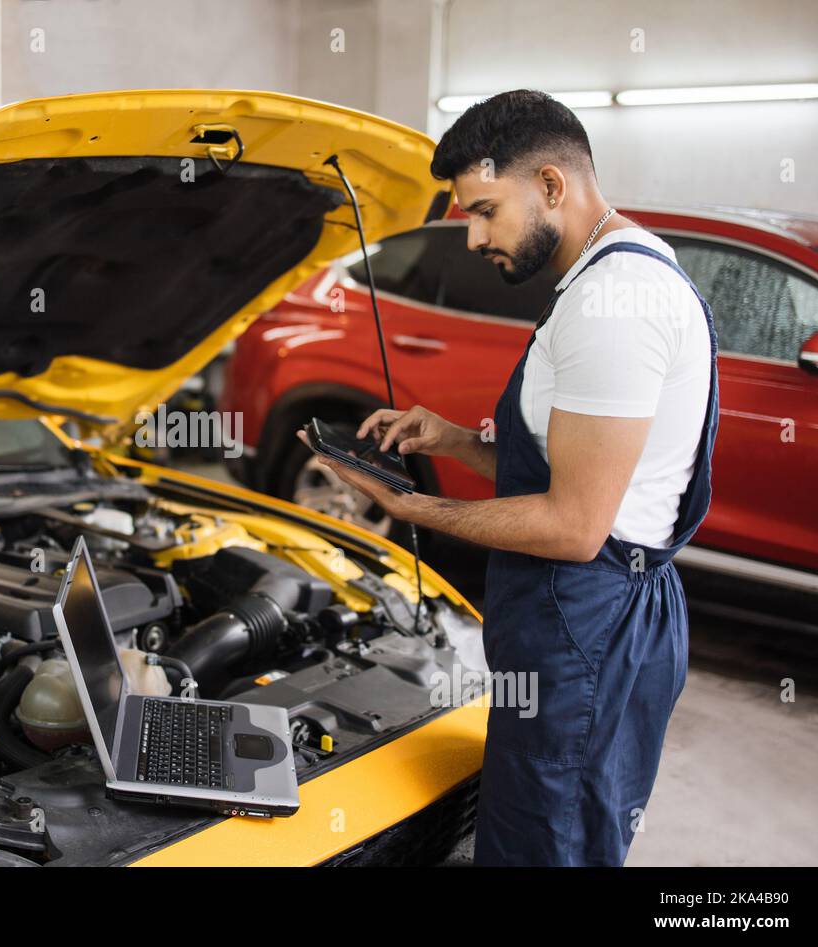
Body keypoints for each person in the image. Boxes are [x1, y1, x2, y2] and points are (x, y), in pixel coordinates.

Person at [298, 90, 718, 865]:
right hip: (597, 616)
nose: (477, 237)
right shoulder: (620, 274)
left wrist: (410, 503)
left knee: (546, 842)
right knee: (560, 830)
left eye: (487, 210)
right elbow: (575, 469)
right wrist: (455, 439)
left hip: (587, 626)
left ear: (552, 185)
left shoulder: (611, 306)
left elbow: (572, 523)